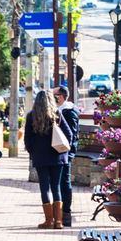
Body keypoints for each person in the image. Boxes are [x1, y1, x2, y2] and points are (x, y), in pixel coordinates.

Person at [24, 90, 73, 229]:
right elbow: (69, 135)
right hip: (57, 156)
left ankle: (48, 220)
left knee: (44, 188)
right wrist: (61, 149)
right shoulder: (57, 115)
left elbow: (27, 139)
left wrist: (33, 151)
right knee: (56, 187)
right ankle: (58, 221)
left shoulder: (31, 116)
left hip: (40, 157)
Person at [54, 86, 81, 227]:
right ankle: (59, 213)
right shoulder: (65, 110)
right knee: (60, 182)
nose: (53, 98)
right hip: (60, 152)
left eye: (55, 95)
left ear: (62, 96)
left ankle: (66, 213)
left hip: (65, 152)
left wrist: (68, 152)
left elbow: (70, 135)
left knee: (64, 182)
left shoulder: (68, 111)